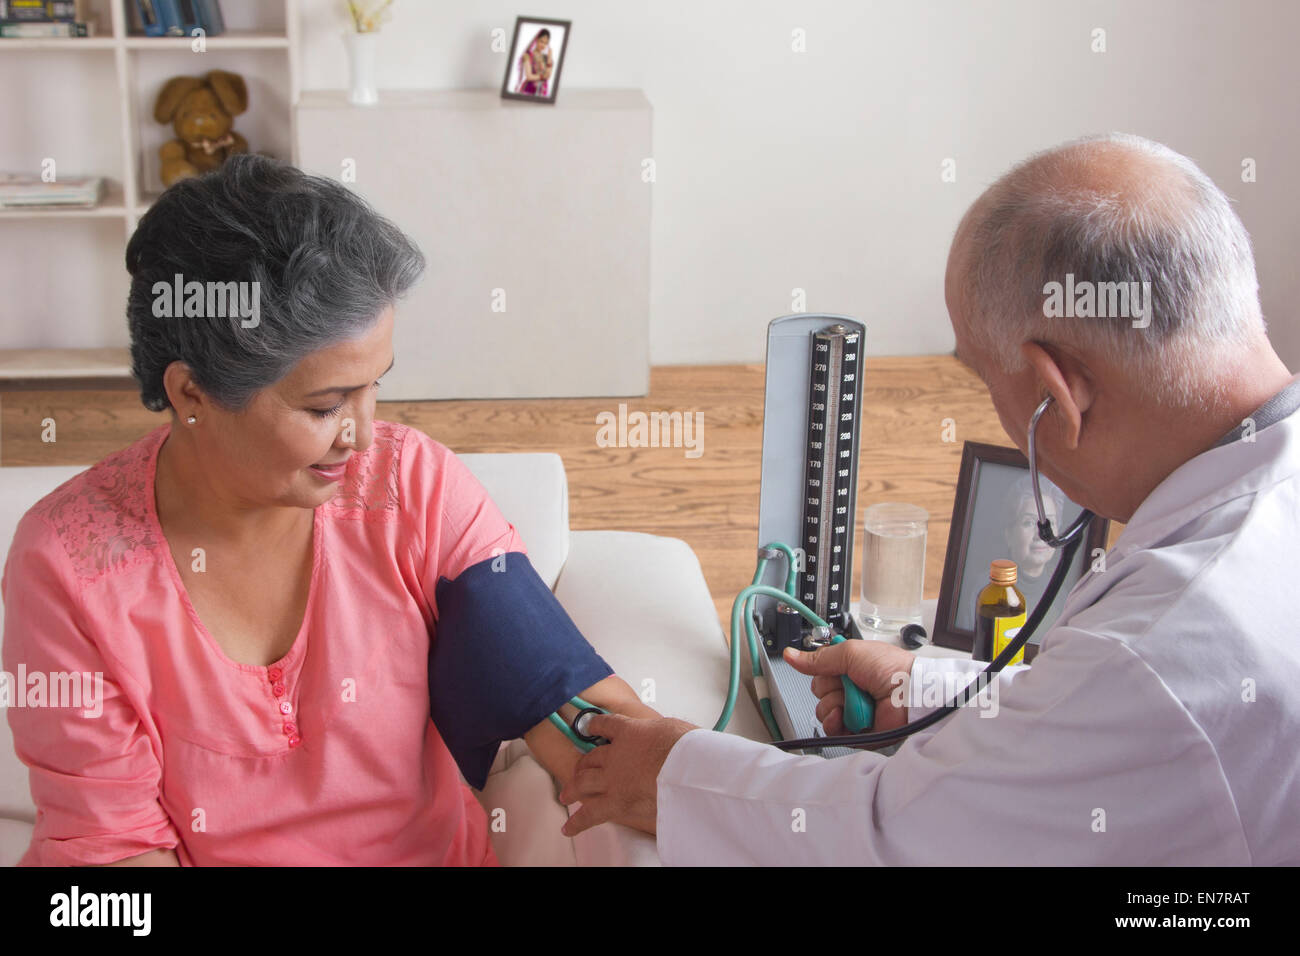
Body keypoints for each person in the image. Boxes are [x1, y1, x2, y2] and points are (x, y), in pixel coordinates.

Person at [558, 133, 1300, 865]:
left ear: (1054, 397)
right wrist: (939, 688)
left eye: (985, 381)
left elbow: (896, 839)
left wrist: (674, 773)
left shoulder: (1156, 649)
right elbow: (1112, 721)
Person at [1, 154, 655, 866]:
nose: (364, 435)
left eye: (375, 386)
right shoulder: (68, 567)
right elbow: (115, 856)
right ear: (191, 396)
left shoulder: (413, 488)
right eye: (325, 405)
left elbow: (576, 711)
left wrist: (741, 786)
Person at [516, 29, 554, 97]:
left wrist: (549, 58)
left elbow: (548, 76)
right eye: (541, 41)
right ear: (536, 40)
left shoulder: (546, 58)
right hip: (528, 90)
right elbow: (529, 76)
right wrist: (542, 76)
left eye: (546, 43)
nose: (543, 45)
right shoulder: (527, 55)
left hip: (543, 92)